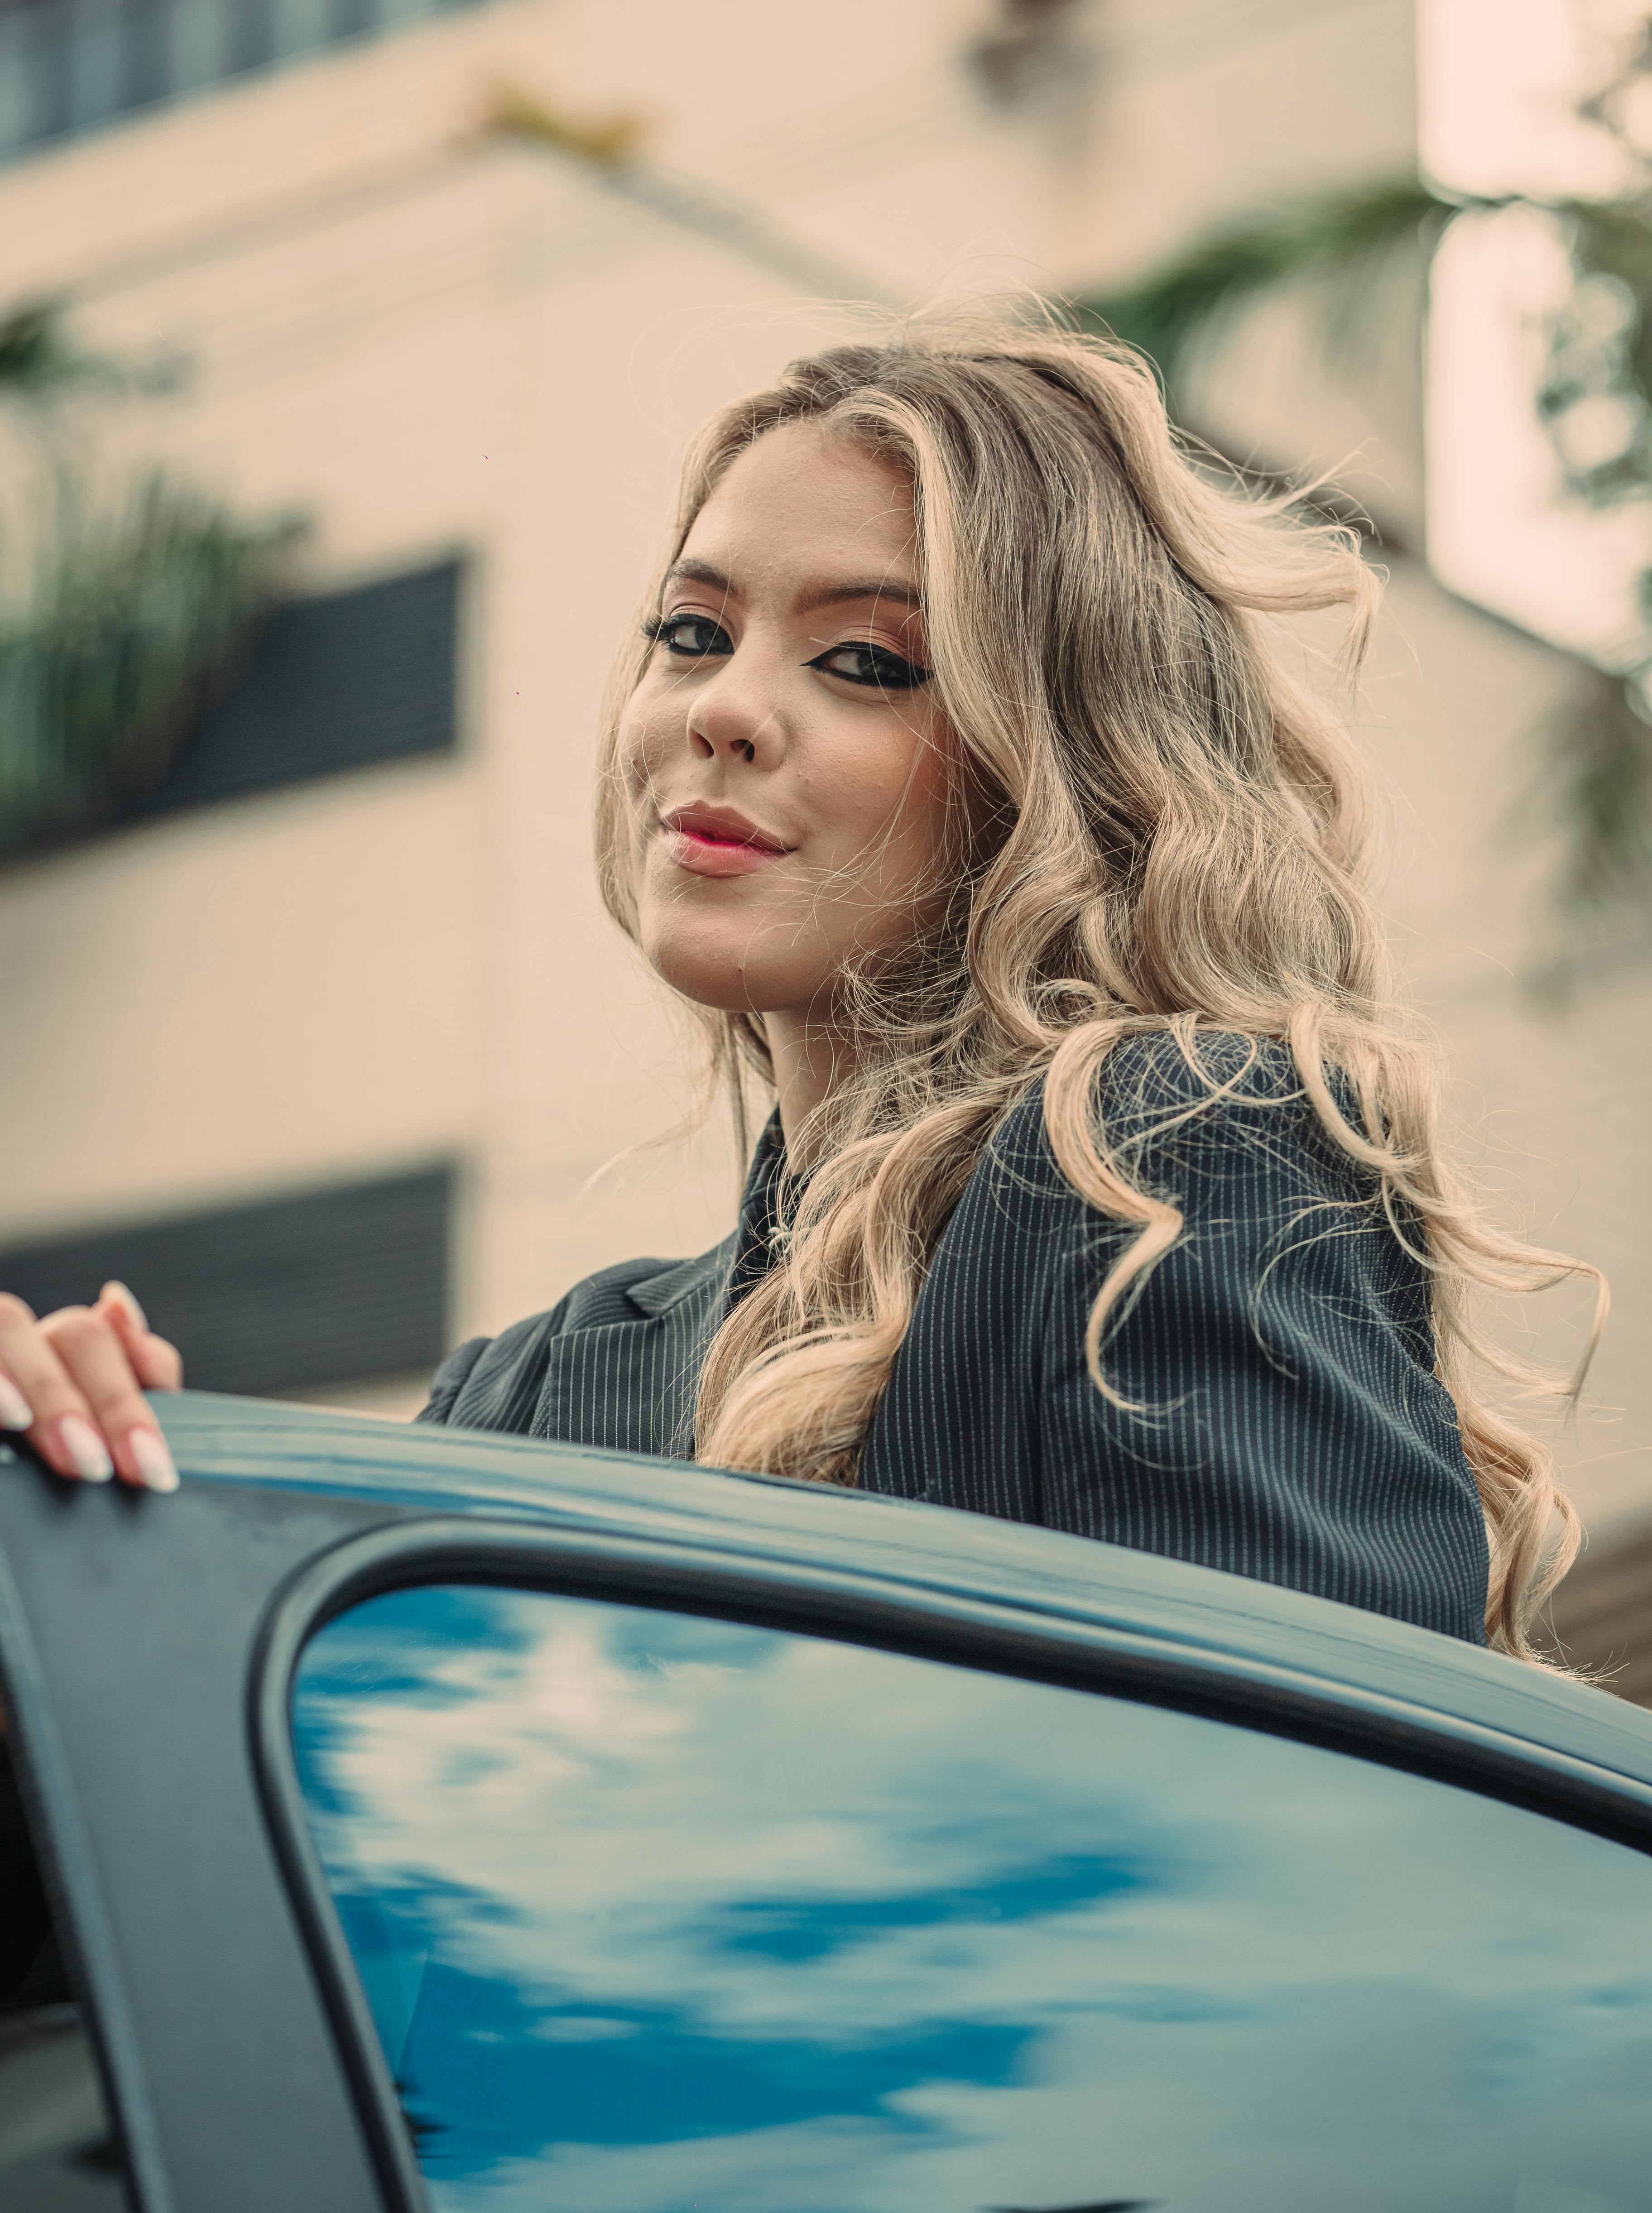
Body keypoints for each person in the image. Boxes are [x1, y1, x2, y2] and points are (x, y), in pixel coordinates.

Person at [0, 309, 1602, 1660]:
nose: (724, 710)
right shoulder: (541, 1382)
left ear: (1061, 775)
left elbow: (1316, 1858)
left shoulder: (1163, 1156)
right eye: (691, 633)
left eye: (864, 663)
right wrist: (66, 1534)